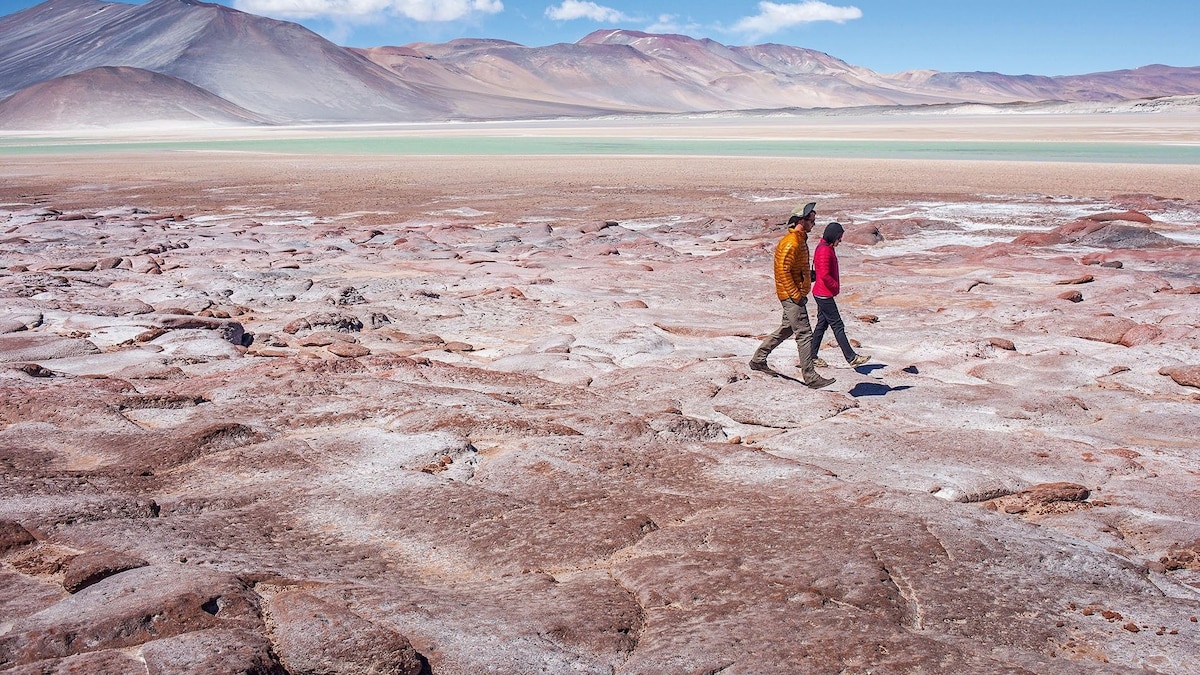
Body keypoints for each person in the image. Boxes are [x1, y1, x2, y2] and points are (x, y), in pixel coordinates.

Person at [749, 202, 835, 389]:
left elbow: (795, 269)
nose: (814, 223)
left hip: (794, 293)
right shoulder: (791, 243)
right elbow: (782, 271)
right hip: (790, 295)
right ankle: (810, 377)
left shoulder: (799, 240)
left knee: (787, 328)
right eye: (811, 220)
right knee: (804, 333)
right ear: (801, 221)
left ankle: (758, 359)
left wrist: (808, 278)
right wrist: (796, 295)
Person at [810, 221, 871, 369]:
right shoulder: (824, 250)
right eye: (839, 237)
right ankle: (851, 358)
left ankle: (810, 356)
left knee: (821, 325)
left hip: (821, 293)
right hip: (824, 294)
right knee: (838, 325)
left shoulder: (826, 247)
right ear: (833, 236)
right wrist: (835, 287)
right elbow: (824, 275)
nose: (840, 240)